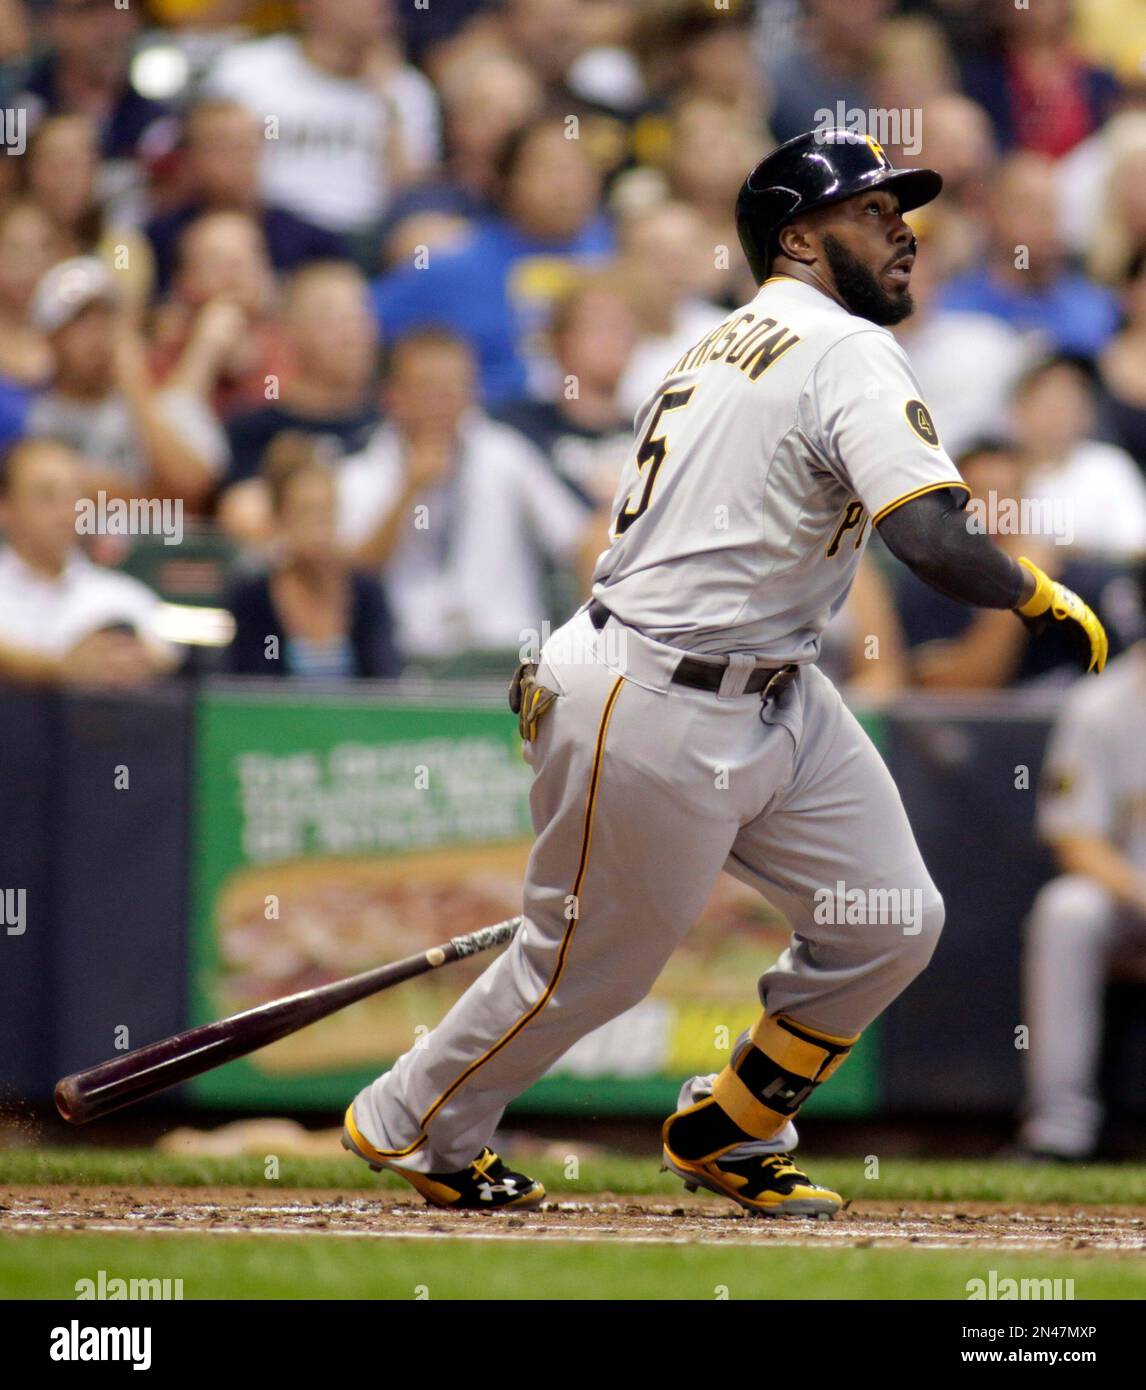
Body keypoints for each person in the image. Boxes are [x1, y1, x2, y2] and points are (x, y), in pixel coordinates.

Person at [340, 131, 1107, 1215]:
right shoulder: (839, 346)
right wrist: (1033, 592)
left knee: (886, 916)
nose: (902, 231)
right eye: (871, 212)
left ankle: (732, 1126)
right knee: (588, 971)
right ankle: (417, 1121)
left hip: (769, 683)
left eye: (904, 212)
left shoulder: (721, 341)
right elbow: (931, 539)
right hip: (656, 689)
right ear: (798, 237)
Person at [337, 329, 595, 662]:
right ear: (393, 396)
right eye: (430, 388)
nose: (446, 401)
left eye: (457, 386)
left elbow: (577, 539)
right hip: (406, 654)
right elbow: (354, 576)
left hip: (507, 652)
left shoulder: (504, 453)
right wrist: (408, 492)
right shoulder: (361, 471)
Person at [1020, 594, 1146, 1159]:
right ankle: (1059, 1129)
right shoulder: (1103, 704)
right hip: (1130, 893)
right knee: (1068, 909)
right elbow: (1075, 839)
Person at [371, 115, 613, 406]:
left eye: (580, 169)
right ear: (507, 180)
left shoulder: (617, 258)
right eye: (550, 170)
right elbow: (364, 323)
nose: (568, 185)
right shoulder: (455, 266)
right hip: (487, 428)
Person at [204, 0, 440, 238]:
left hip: (368, 238)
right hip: (270, 230)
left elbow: (411, 195)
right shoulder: (245, 72)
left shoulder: (408, 88)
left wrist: (388, 102)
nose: (378, 4)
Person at [26, 256, 224, 508]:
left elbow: (191, 487)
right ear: (50, 338)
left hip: (165, 546)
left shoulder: (173, 403)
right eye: (80, 319)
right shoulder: (34, 419)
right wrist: (149, 494)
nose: (97, 333)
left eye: (108, 316)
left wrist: (135, 387)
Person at [217, 262, 381, 546]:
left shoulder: (388, 425)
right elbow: (241, 515)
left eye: (359, 317)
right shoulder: (254, 428)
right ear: (290, 332)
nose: (351, 335)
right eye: (333, 320)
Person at [0, 438, 177, 687]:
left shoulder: (122, 595)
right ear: (5, 506)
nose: (66, 511)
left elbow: (165, 655)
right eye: (46, 496)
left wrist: (133, 660)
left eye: (74, 496)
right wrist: (60, 668)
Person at [224, 434, 401, 680]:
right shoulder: (252, 598)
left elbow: (385, 684)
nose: (318, 529)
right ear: (280, 517)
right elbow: (251, 692)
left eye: (326, 512)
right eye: (305, 513)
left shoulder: (367, 594)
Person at [145, 100, 350, 295]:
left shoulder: (310, 243)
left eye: (246, 145)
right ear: (190, 157)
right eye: (221, 146)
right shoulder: (161, 240)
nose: (238, 158)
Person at [937, 153, 1120, 358]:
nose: (1046, 223)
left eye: (1052, 209)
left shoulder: (1097, 311)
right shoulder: (954, 310)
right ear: (993, 214)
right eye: (1029, 208)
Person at [1013, 354, 1146, 559]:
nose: (1057, 414)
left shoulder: (1109, 466)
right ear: (1019, 407)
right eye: (1048, 401)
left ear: (1088, 414)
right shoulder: (993, 468)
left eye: (1069, 403)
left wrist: (1069, 554)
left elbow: (1137, 545)